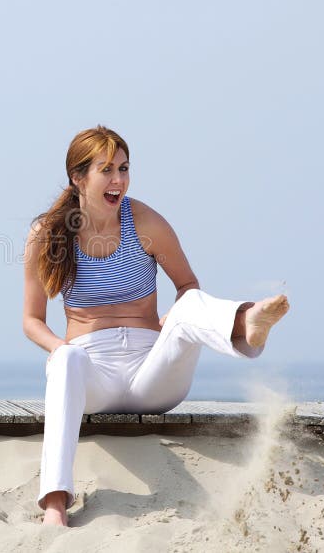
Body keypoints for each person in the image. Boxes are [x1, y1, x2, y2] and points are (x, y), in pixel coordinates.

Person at [21, 125, 290, 527]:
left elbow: (187, 286)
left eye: (124, 168)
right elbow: (31, 320)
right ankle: (56, 505)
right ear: (78, 177)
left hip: (153, 373)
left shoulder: (145, 222)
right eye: (107, 169)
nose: (119, 180)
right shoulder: (49, 234)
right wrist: (62, 350)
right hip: (93, 375)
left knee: (191, 305)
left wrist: (170, 322)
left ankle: (244, 321)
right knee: (64, 360)